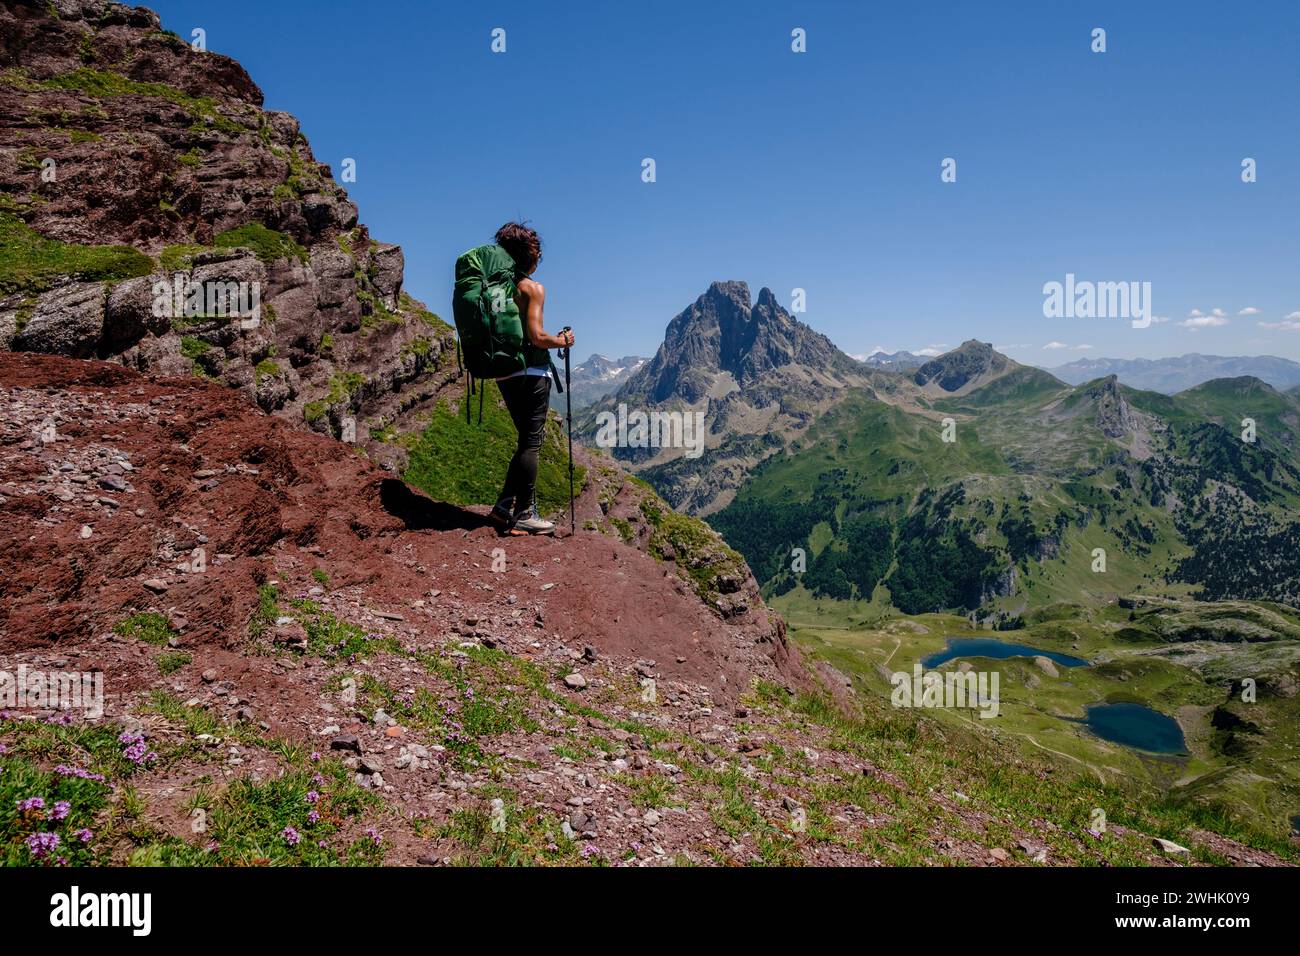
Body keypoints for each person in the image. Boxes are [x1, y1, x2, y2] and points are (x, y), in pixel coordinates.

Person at [489, 222, 575, 535]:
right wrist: (562, 340)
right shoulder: (531, 288)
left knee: (525, 440)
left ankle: (503, 506)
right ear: (529, 256)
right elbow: (537, 337)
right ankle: (525, 512)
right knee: (531, 442)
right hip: (532, 373)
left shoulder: (494, 288)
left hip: (503, 372)